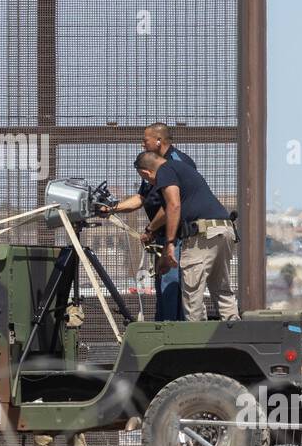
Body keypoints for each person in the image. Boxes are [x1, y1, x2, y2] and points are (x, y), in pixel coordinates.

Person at [102, 123, 196, 320]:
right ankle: (162, 326)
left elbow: (171, 205)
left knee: (172, 285)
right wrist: (113, 208)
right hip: (162, 237)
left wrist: (150, 229)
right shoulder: (153, 165)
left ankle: (172, 331)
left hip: (177, 237)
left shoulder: (176, 163)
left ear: (159, 140)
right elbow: (142, 198)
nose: (142, 144)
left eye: (145, 140)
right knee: (162, 285)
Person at [132, 150, 238, 322]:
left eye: (146, 179)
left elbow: (173, 205)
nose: (151, 183)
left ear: (146, 172)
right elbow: (169, 210)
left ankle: (197, 343)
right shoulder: (182, 167)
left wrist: (170, 242)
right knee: (222, 291)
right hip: (224, 229)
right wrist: (151, 230)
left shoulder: (164, 171)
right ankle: (235, 335)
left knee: (192, 295)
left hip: (201, 235)